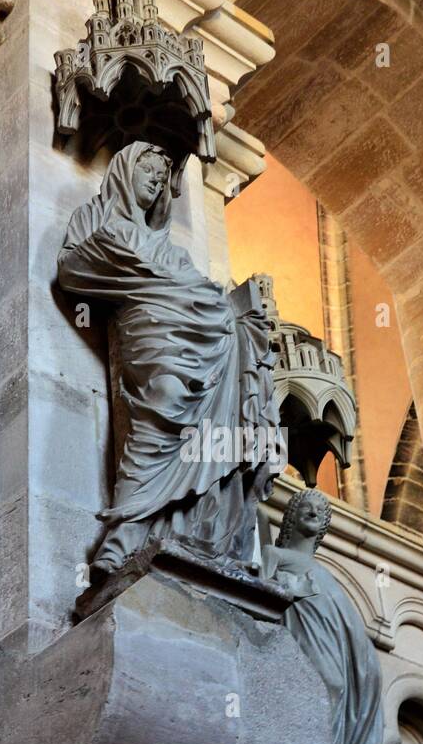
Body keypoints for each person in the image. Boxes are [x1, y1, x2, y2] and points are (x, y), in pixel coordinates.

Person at [58, 142, 279, 579]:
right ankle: (124, 532)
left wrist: (247, 312)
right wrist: (136, 267)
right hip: (152, 335)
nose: (156, 182)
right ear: (124, 171)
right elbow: (72, 267)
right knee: (163, 404)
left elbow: (202, 292)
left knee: (212, 426)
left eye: (162, 178)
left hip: (206, 343)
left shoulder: (169, 246)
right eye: (149, 172)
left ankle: (197, 527)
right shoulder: (95, 220)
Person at [261, 486, 387, 744]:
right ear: (290, 517)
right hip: (306, 626)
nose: (315, 512)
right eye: (307, 507)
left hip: (337, 637)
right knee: (327, 685)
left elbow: (342, 615)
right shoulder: (274, 553)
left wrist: (364, 659)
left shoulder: (323, 570)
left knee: (356, 693)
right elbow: (263, 587)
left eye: (321, 509)